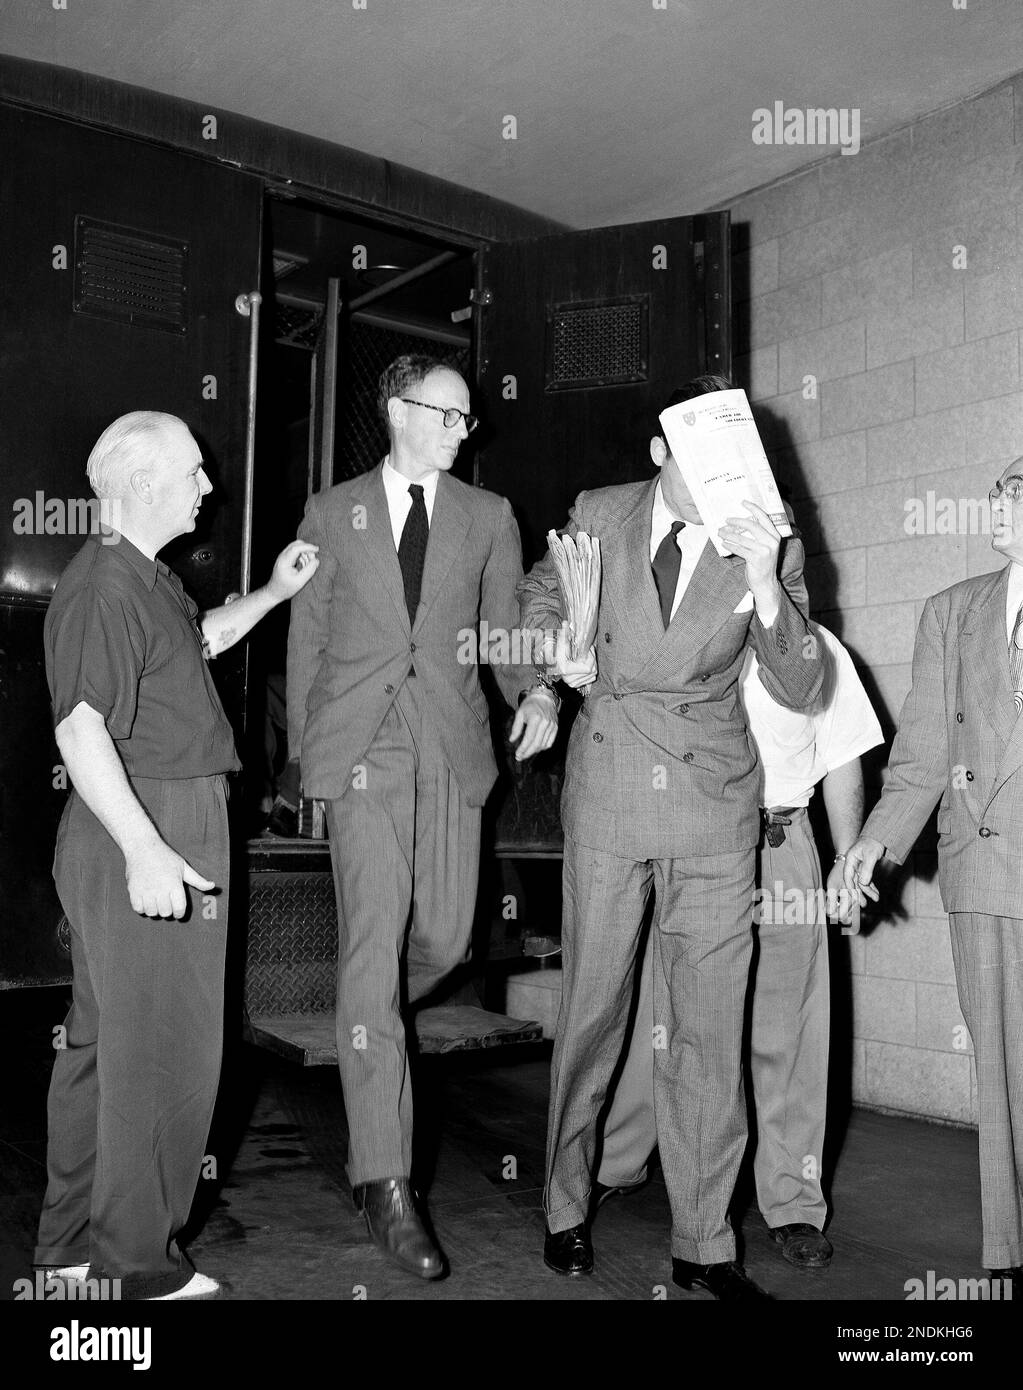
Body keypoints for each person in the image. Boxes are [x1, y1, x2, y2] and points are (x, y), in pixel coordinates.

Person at [518, 374, 825, 1300]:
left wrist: (768, 584)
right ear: (659, 453)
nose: (721, 479)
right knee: (595, 1008)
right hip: (610, 786)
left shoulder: (765, 535)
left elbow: (804, 682)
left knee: (706, 1024)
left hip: (711, 801)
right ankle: (565, 1206)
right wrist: (551, 655)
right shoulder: (598, 513)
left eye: (733, 460)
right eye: (699, 461)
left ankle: (703, 1240)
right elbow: (538, 598)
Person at [33, 410, 318, 1300]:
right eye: (194, 471)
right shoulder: (100, 588)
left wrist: (271, 596)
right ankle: (138, 1269)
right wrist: (148, 850)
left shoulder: (141, 580)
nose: (208, 485)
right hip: (146, 822)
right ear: (145, 482)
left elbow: (196, 645)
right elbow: (80, 731)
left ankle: (71, 1252)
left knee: (103, 1045)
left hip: (150, 818)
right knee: (166, 1050)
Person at [286, 354, 557, 1279]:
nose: (462, 430)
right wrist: (308, 763)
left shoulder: (488, 518)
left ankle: (370, 1019)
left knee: (441, 940)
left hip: (450, 742)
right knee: (372, 946)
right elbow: (308, 642)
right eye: (449, 415)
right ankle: (387, 1181)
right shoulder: (332, 511)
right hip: (363, 746)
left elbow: (507, 627)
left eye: (467, 419)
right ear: (398, 411)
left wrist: (539, 693)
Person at [593, 621, 883, 1272]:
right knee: (663, 1014)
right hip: (692, 842)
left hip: (781, 843)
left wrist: (844, 859)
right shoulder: (685, 638)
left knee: (790, 1028)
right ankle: (618, 1159)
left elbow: (841, 758)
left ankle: (793, 1203)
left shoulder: (816, 649)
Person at [844, 458, 1023, 1294]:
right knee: (1001, 1073)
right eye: (1001, 489)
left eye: (1021, 492)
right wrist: (869, 850)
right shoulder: (952, 613)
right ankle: (1011, 1254)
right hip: (985, 869)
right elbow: (919, 759)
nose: (1001, 504)